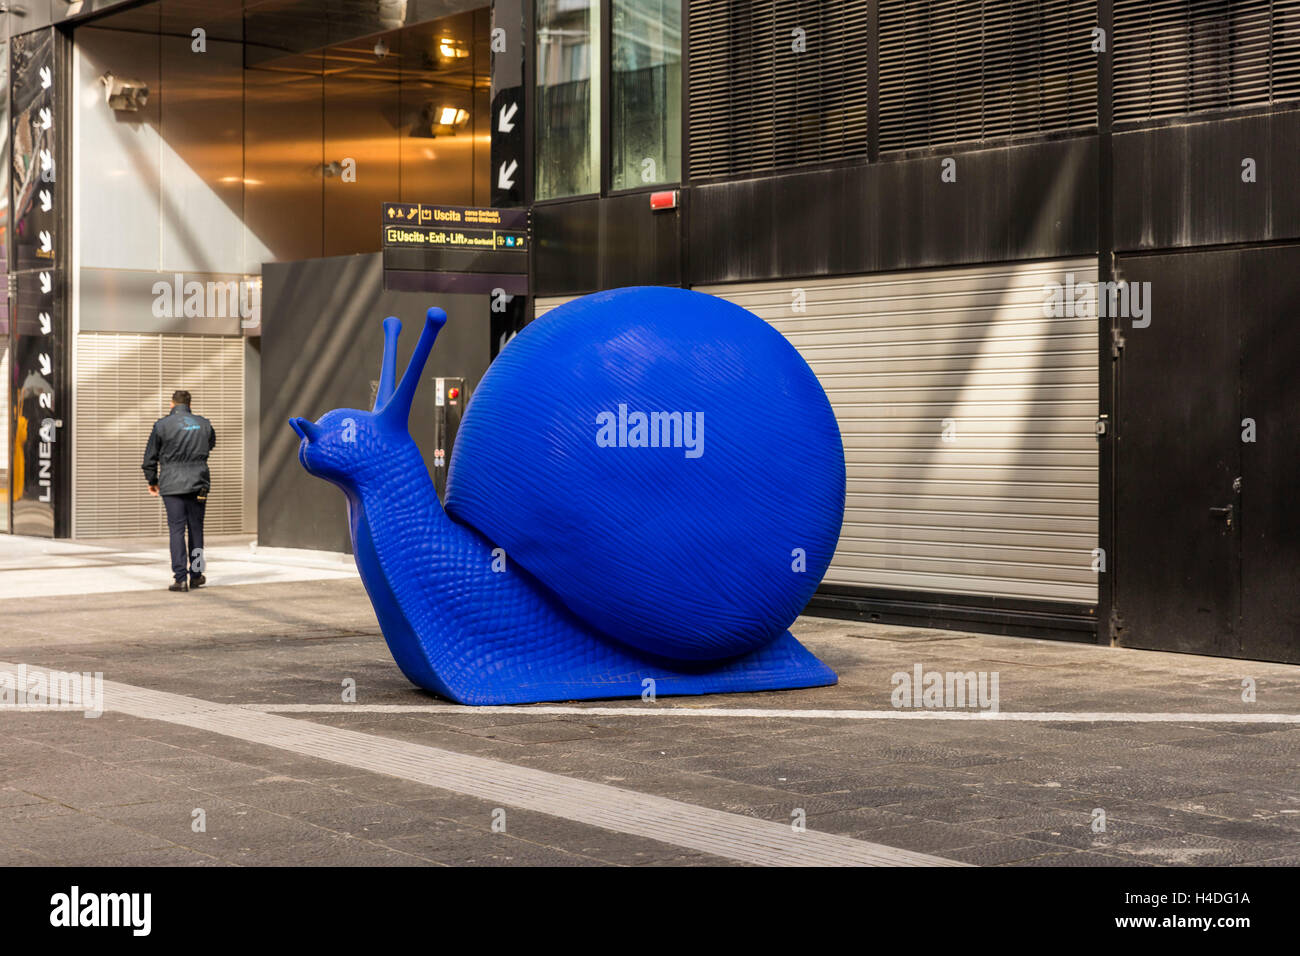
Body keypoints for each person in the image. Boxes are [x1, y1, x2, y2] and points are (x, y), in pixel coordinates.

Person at [142, 390, 216, 592]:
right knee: (196, 528)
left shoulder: (161, 425)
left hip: (171, 484)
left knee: (176, 529)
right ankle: (197, 574)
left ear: (171, 404)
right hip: (199, 482)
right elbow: (210, 446)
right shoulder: (204, 424)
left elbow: (150, 457)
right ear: (189, 404)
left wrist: (152, 480)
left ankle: (180, 578)